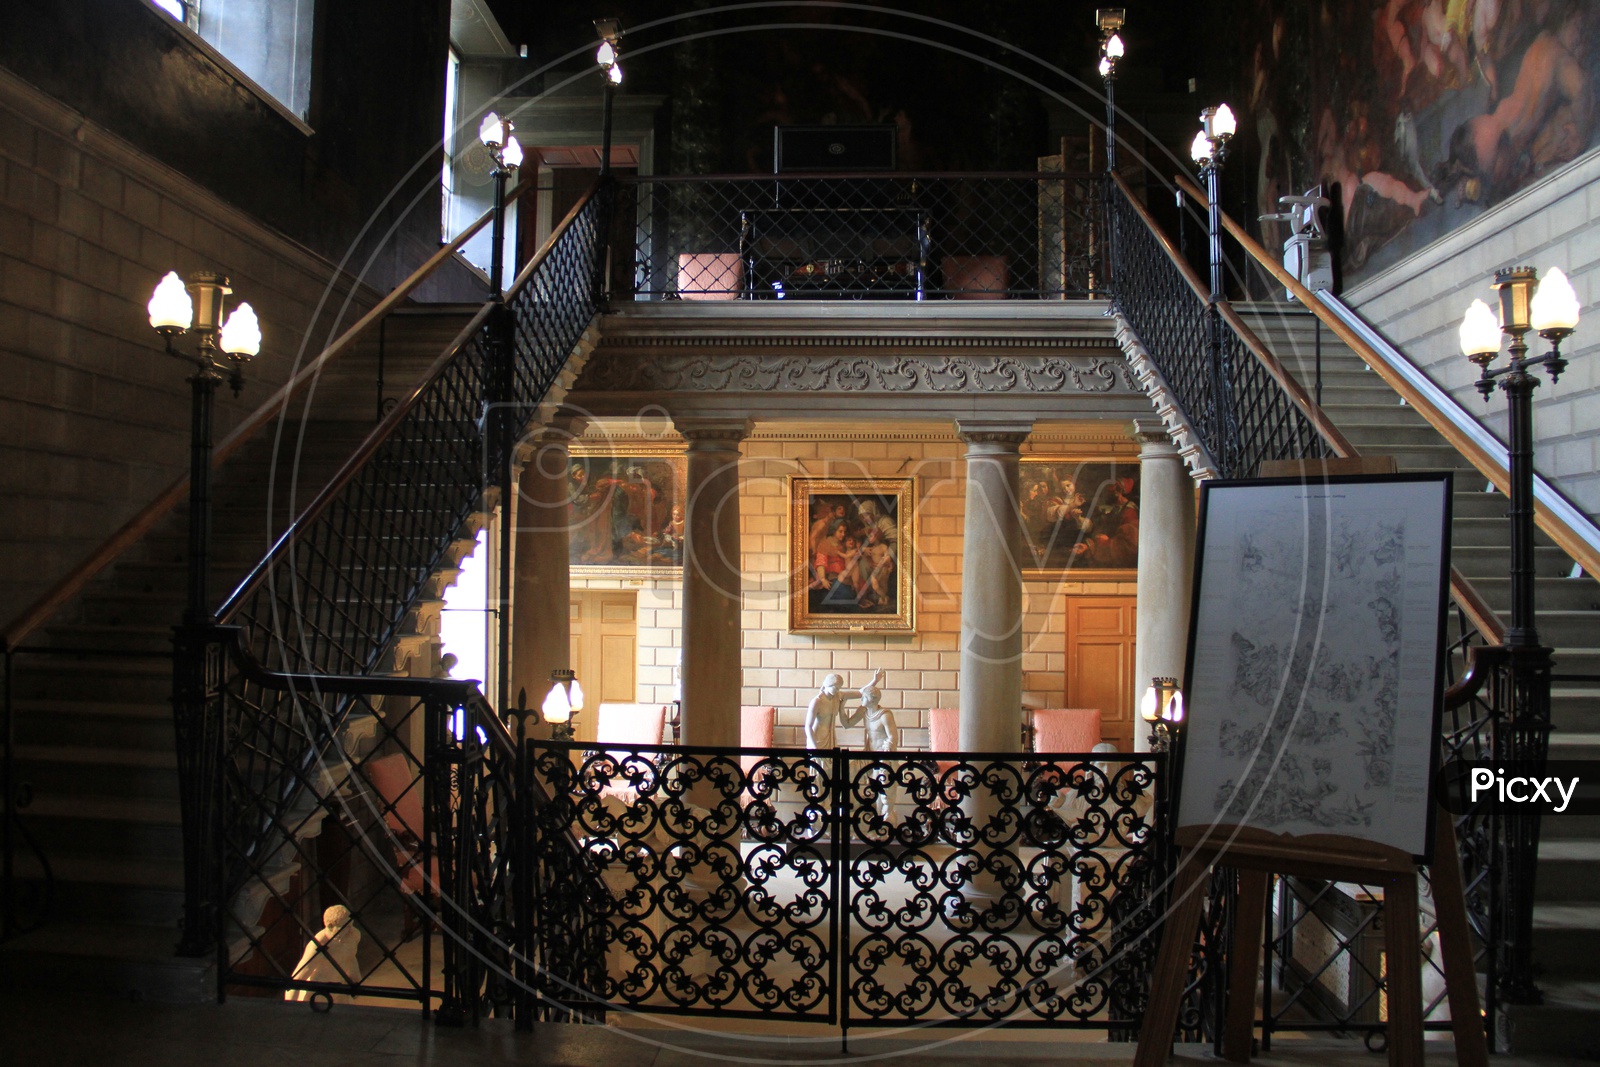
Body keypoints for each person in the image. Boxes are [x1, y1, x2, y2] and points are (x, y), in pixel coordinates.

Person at [285, 904, 361, 1002]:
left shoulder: (354, 935)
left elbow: (350, 957)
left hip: (341, 988)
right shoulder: (318, 945)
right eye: (345, 927)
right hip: (319, 991)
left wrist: (356, 979)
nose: (350, 929)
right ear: (330, 927)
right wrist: (289, 1008)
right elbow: (298, 977)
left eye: (351, 924)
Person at [805, 672, 864, 750]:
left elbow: (860, 693)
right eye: (835, 688)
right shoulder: (817, 702)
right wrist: (814, 746)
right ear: (828, 685)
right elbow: (808, 726)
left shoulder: (837, 696)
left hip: (831, 738)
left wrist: (875, 681)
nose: (837, 690)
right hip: (818, 739)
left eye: (839, 688)